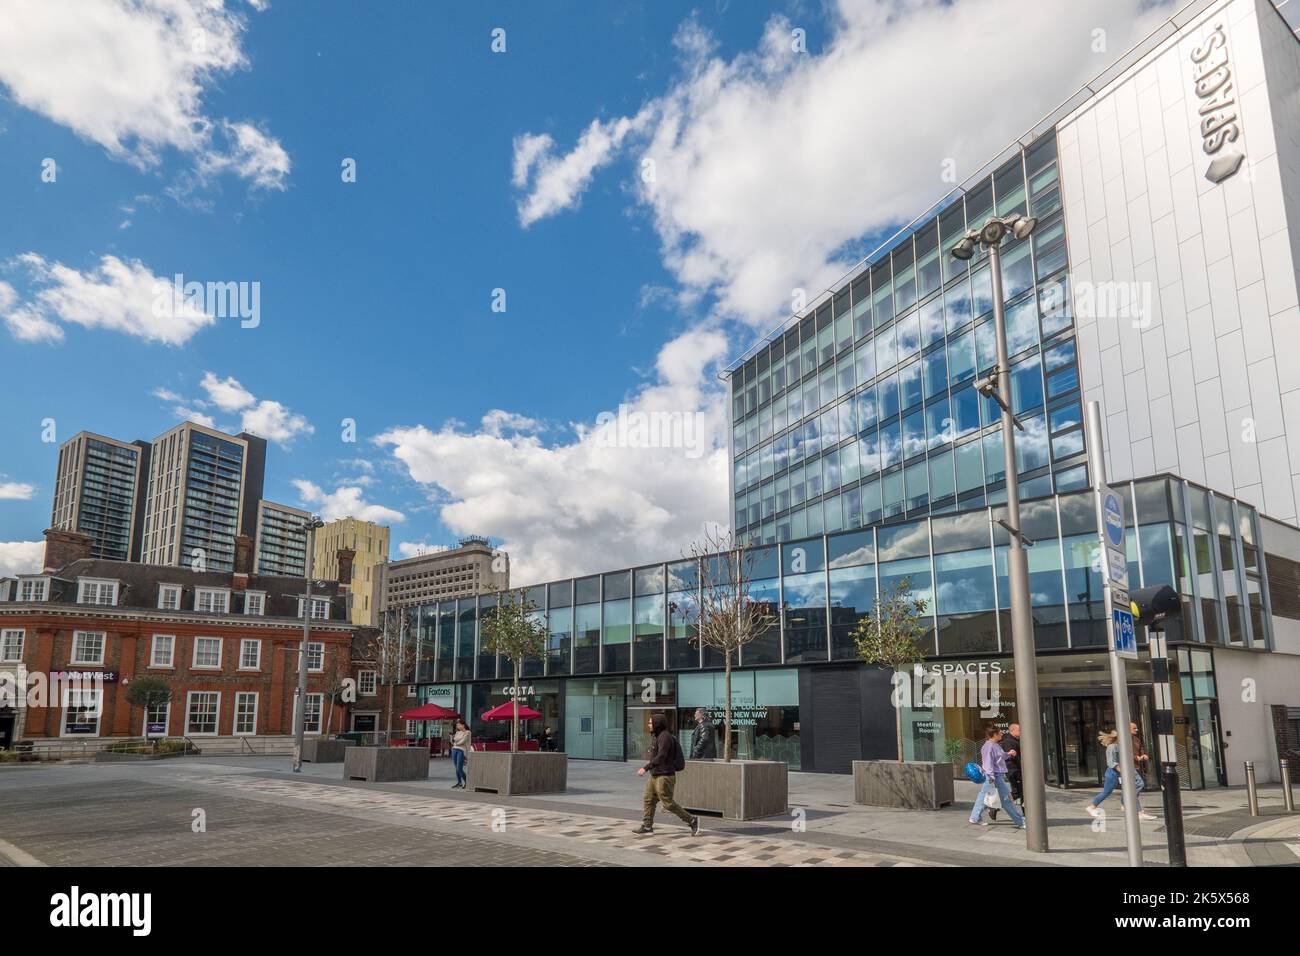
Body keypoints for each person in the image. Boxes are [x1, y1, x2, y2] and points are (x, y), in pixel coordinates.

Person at [633, 714, 700, 836]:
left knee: (668, 803)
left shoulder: (665, 737)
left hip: (664, 776)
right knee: (649, 799)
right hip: (655, 775)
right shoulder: (656, 736)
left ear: (657, 724)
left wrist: (646, 768)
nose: (648, 725)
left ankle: (691, 820)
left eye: (650, 723)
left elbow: (662, 756)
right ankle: (647, 825)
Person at [1085, 730, 1155, 820]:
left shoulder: (1122, 746)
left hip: (1124, 771)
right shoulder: (1112, 747)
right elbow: (1111, 763)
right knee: (1107, 792)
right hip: (1113, 773)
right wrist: (1122, 771)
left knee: (1135, 786)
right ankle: (1092, 807)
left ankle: (1137, 811)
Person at [969, 724, 1025, 829]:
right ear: (994, 734)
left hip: (994, 776)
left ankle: (974, 817)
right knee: (1006, 799)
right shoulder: (989, 746)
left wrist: (1009, 753)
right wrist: (991, 777)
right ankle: (1020, 821)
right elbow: (988, 763)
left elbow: (1001, 756)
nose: (1002, 733)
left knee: (984, 797)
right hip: (993, 776)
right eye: (1000, 732)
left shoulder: (995, 744)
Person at [1002, 722, 1024, 809]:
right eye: (1019, 730)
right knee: (1017, 792)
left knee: (1021, 792)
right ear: (1013, 730)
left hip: (1016, 770)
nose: (1021, 732)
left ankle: (1025, 813)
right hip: (1014, 771)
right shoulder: (1009, 742)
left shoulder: (1015, 740)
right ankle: (996, 807)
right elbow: (1012, 757)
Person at [450, 719, 471, 789]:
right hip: (454, 750)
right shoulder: (457, 732)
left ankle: (467, 782)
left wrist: (456, 742)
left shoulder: (468, 732)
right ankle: (459, 783)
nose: (457, 726)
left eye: (459, 725)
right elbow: (453, 742)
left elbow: (462, 741)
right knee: (456, 768)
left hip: (461, 750)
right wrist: (452, 740)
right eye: (457, 725)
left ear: (463, 725)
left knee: (459, 768)